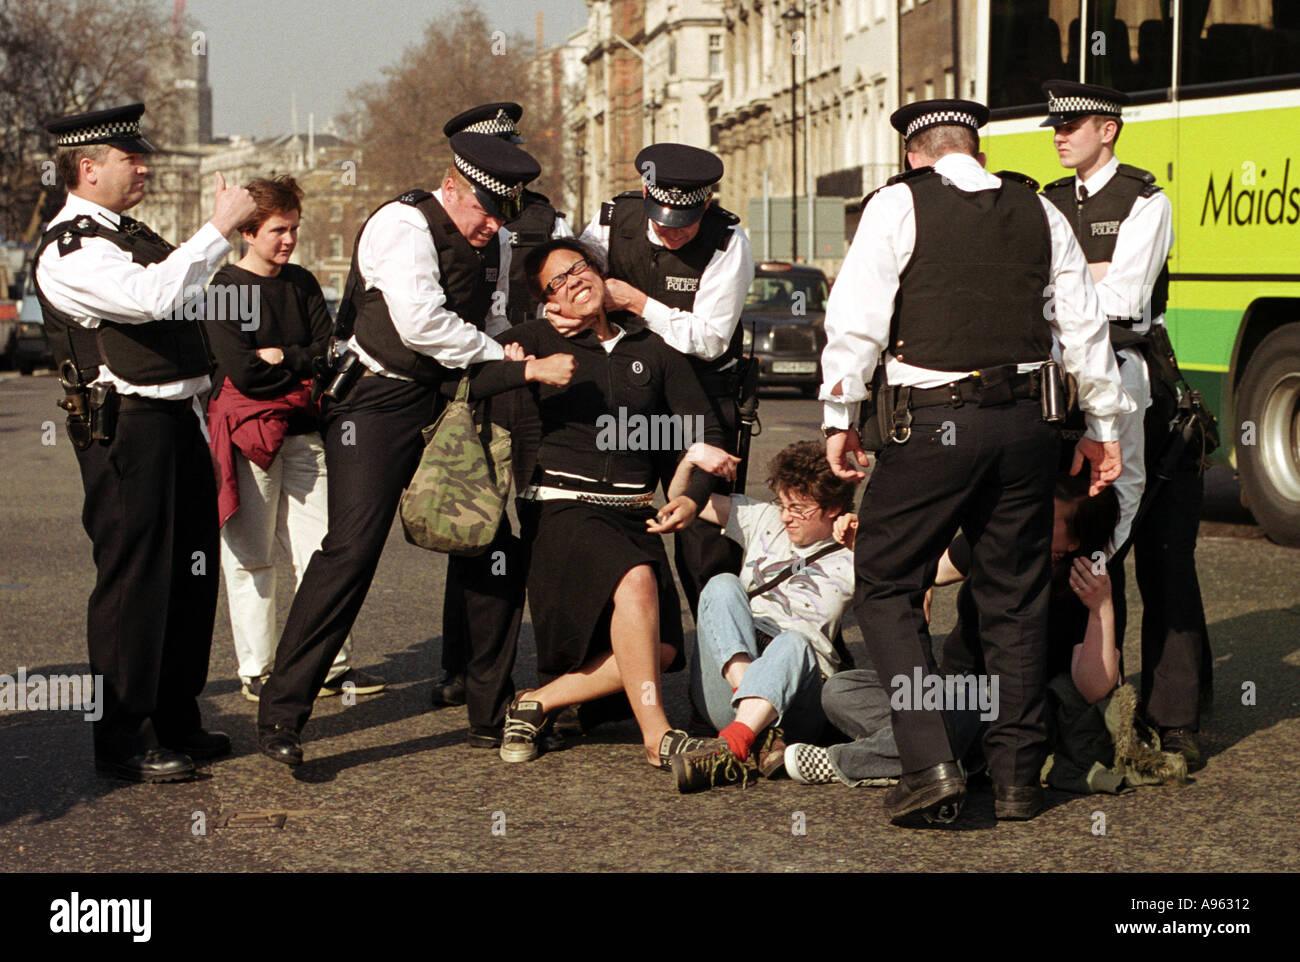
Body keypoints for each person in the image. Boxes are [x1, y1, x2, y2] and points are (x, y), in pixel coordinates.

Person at [820, 98, 1133, 824]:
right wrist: (1103, 424)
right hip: (1029, 426)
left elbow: (856, 319)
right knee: (1014, 594)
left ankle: (931, 763)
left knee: (888, 584)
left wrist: (840, 415)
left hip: (932, 425)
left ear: (913, 155)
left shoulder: (897, 205)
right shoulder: (1038, 211)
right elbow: (1083, 326)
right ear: (978, 153)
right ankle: (1019, 777)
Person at [255, 132, 576, 767]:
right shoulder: (401, 225)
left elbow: (488, 323)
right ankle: (283, 714)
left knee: (488, 543)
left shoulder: (500, 238)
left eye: (501, 214)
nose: (491, 226)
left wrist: (516, 347)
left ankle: (489, 711)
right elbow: (423, 324)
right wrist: (510, 362)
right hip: (377, 400)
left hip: (451, 397)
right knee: (352, 549)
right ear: (452, 185)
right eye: (482, 210)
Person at [32, 103, 256, 781]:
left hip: (174, 416)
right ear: (88, 167)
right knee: (136, 582)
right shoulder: (72, 248)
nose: (145, 167)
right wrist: (216, 229)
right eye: (132, 158)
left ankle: (175, 718)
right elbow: (156, 298)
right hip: (125, 426)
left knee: (190, 575)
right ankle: (123, 734)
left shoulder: (128, 232)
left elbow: (185, 300)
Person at [493, 237, 737, 769]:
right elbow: (465, 379)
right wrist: (518, 370)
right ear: (545, 301)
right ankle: (659, 737)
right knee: (638, 580)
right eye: (555, 282)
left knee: (663, 651)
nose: (573, 281)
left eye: (578, 268)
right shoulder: (529, 340)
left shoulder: (652, 347)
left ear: (598, 271)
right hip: (560, 505)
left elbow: (706, 428)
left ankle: (535, 703)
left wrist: (694, 498)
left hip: (633, 510)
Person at [1040, 80, 1210, 770]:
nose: (1059, 133)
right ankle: (1085, 698)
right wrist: (1087, 280)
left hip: (1142, 391)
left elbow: (1122, 302)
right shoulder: (1047, 201)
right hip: (1070, 391)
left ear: (1107, 129)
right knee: (1080, 542)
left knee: (1166, 565)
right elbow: (1047, 291)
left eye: (1073, 124)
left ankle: (1177, 722)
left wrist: (1071, 287)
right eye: (1055, 124)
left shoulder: (1146, 198)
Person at [784, 476, 1124, 788]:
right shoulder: (999, 541)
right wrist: (865, 542)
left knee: (959, 712)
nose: (1029, 520)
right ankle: (941, 760)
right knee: (842, 690)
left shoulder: (1092, 583)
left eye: (1047, 518)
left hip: (1015, 709)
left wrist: (1101, 608)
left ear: (1077, 537)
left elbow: (1092, 688)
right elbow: (925, 570)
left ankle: (844, 762)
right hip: (950, 690)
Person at [204, 174, 384, 704]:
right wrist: (295, 360)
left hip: (305, 435)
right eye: (278, 230)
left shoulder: (302, 281)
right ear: (247, 232)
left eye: (294, 229)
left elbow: (330, 354)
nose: (289, 240)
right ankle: (257, 670)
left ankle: (328, 665)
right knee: (252, 557)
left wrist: (282, 358)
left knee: (323, 552)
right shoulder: (224, 291)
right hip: (250, 437)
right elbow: (241, 372)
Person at [432, 101, 574, 715]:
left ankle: (557, 672)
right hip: (484, 378)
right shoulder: (439, 220)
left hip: (539, 379)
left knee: (543, 519)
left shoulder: (547, 217)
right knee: (474, 524)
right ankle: (464, 665)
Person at [575, 143, 757, 618]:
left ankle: (724, 668)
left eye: (686, 222)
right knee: (614, 520)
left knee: (704, 544)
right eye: (663, 221)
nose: (674, 233)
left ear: (708, 204)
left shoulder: (727, 241)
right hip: (624, 400)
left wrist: (639, 303)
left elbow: (711, 339)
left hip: (698, 404)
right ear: (645, 193)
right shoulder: (613, 221)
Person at [664, 440, 858, 794]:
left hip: (799, 698)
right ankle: (755, 726)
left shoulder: (853, 553)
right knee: (722, 584)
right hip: (734, 675)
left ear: (833, 508)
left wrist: (870, 544)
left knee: (794, 640)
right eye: (783, 504)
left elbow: (931, 573)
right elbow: (681, 504)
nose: (785, 517)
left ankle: (735, 742)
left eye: (798, 509)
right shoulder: (764, 518)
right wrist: (690, 458)